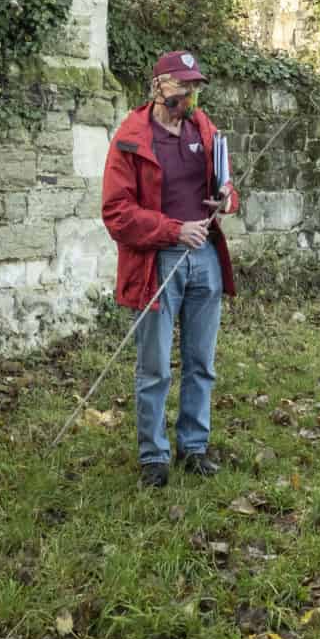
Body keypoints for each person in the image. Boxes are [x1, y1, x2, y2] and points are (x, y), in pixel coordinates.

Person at [100, 50, 242, 489]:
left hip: (205, 260)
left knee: (201, 362)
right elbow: (117, 213)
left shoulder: (204, 129)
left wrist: (226, 199)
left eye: (194, 85)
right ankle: (153, 457)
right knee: (156, 365)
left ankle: (194, 447)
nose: (190, 93)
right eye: (182, 85)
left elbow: (229, 188)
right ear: (158, 86)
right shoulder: (131, 138)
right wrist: (173, 230)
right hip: (157, 262)